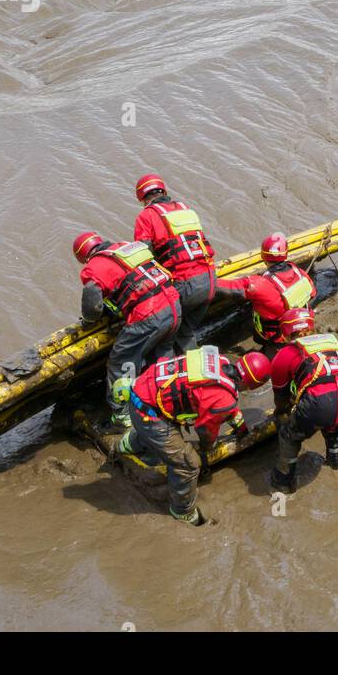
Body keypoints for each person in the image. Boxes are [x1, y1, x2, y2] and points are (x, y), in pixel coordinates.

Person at [115, 345, 271, 525]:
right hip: (149, 415)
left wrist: (240, 426)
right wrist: (207, 448)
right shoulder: (224, 399)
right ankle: (182, 511)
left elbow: (219, 401)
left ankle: (126, 445)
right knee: (188, 464)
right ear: (252, 385)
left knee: (158, 429)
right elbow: (205, 429)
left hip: (143, 392)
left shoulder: (221, 362)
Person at [73, 231, 181, 427]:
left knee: (120, 361)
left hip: (149, 313)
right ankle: (171, 398)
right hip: (173, 304)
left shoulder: (93, 266)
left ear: (84, 256)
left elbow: (92, 304)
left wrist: (90, 320)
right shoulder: (126, 247)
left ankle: (123, 413)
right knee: (162, 355)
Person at [267, 308, 338, 493]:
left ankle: (282, 483)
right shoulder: (330, 345)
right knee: (336, 428)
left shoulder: (284, 355)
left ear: (286, 334)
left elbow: (280, 395)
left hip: (320, 404)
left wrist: (282, 414)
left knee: (289, 436)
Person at [132, 173, 218, 352]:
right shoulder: (184, 208)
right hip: (210, 280)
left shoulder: (146, 216)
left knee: (165, 337)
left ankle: (166, 375)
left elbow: (142, 256)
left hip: (186, 285)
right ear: (163, 190)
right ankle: (195, 374)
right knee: (185, 332)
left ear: (142, 197)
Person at [216, 233, 317, 350]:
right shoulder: (300, 273)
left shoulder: (260, 285)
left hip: (276, 339)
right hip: (303, 328)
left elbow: (227, 286)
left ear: (263, 256)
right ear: (286, 253)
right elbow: (313, 293)